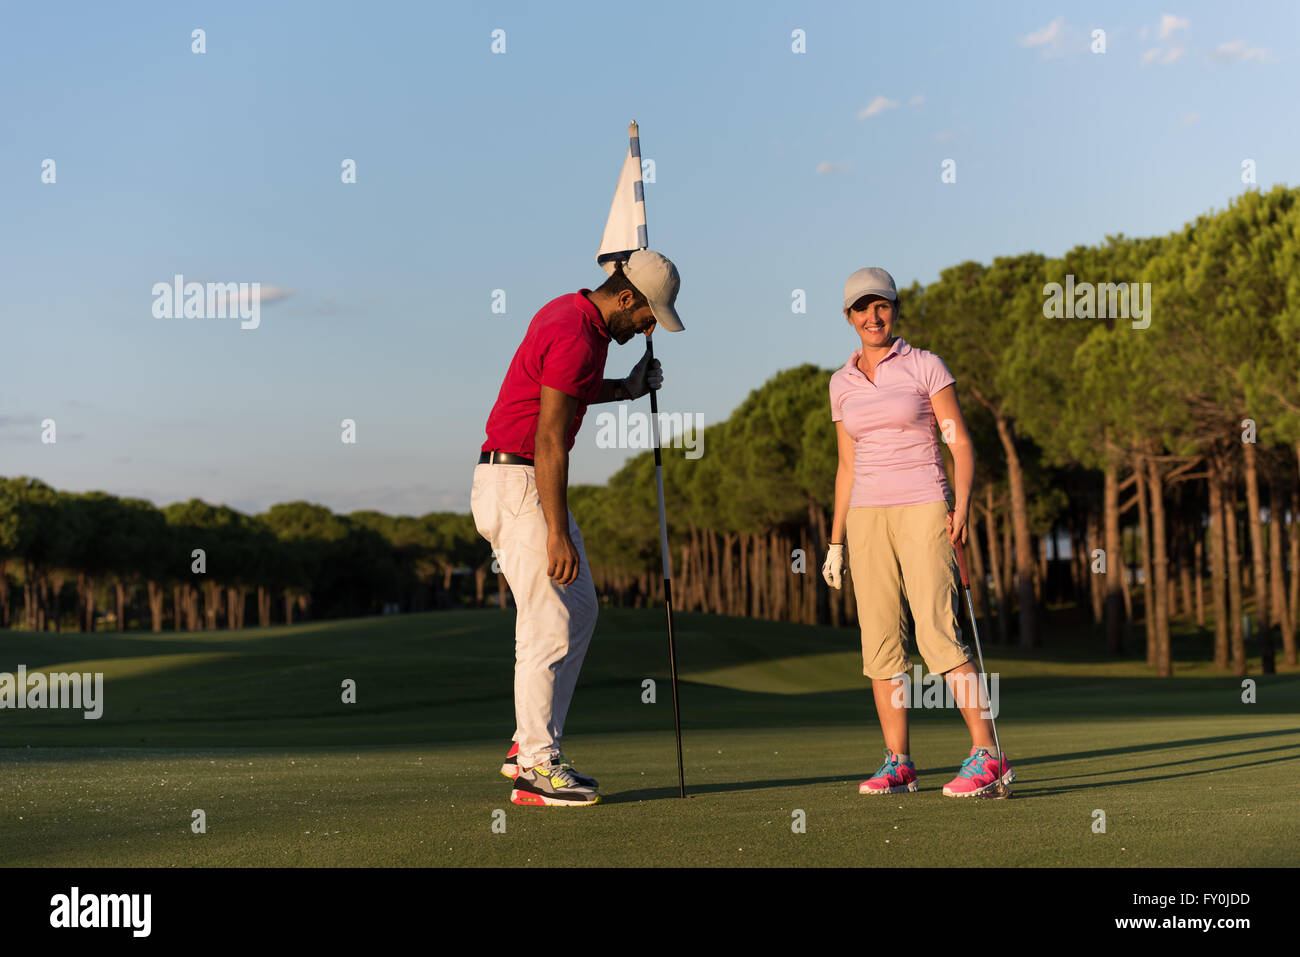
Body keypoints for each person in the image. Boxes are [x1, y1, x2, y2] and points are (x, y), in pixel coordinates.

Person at [471, 249, 683, 807]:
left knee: (578, 610)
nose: (645, 331)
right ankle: (538, 766)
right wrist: (556, 532)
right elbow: (548, 437)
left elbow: (572, 390)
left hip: (513, 480)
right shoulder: (574, 332)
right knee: (549, 624)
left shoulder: (572, 314)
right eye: (646, 318)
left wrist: (627, 389)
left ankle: (528, 746)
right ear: (627, 296)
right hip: (521, 483)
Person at [820, 266, 1014, 797]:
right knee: (880, 642)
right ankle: (898, 763)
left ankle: (988, 756)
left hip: (925, 504)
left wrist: (963, 505)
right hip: (866, 517)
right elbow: (846, 466)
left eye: (881, 305)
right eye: (862, 308)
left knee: (936, 633)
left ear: (895, 309)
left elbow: (961, 444)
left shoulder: (925, 365)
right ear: (848, 317)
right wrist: (835, 541)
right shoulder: (841, 382)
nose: (872, 316)